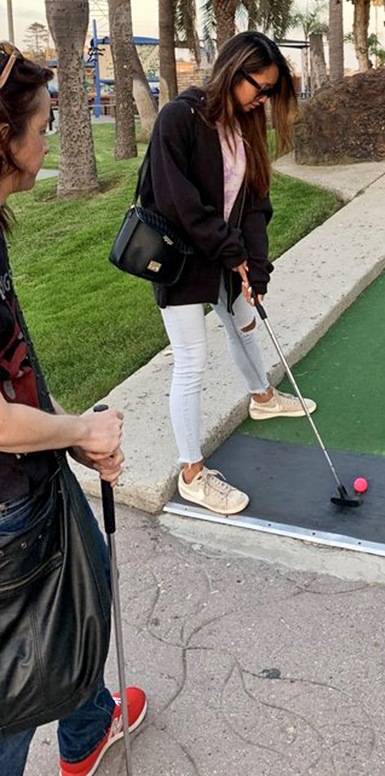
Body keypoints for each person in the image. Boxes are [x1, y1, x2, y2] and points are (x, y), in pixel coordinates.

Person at [0, 45, 147, 776]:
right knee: (16, 682)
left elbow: (14, 367)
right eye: (43, 125)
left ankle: (89, 729)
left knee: (77, 596)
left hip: (33, 474)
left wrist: (68, 437)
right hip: (7, 506)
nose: (48, 139)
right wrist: (82, 430)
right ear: (6, 138)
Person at [142, 31, 316, 515]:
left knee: (245, 322)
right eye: (258, 87)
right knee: (191, 361)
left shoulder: (248, 123)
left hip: (228, 254)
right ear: (232, 71)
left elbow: (256, 202)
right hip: (180, 258)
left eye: (268, 92)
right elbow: (178, 201)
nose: (262, 99)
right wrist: (228, 247)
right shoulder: (179, 118)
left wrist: (255, 267)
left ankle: (262, 396)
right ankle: (192, 473)